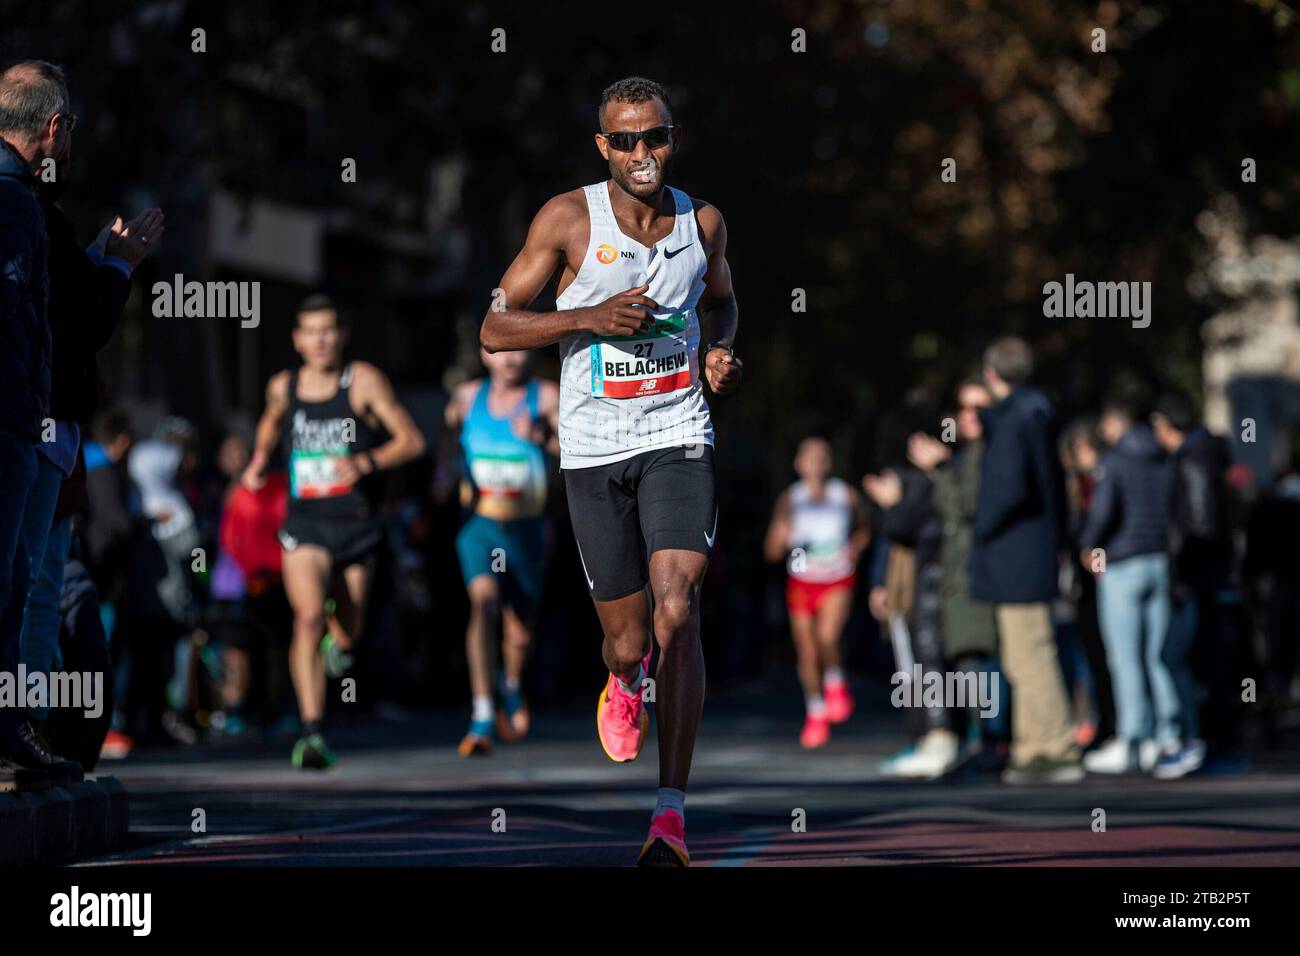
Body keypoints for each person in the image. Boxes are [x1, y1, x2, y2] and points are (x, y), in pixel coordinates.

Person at [479, 77, 742, 866]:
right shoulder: (568, 219)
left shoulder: (703, 223)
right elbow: (494, 326)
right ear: (603, 147)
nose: (641, 154)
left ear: (673, 137)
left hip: (678, 436)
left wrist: (723, 351)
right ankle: (624, 680)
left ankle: (669, 815)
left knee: (679, 610)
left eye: (653, 137)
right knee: (628, 643)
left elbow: (723, 303)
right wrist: (585, 316)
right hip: (594, 450)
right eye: (624, 140)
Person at [242, 295, 425, 769]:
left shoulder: (362, 381)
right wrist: (260, 461)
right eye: (311, 331)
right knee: (306, 616)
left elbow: (411, 440)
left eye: (329, 330)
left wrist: (366, 461)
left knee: (348, 633)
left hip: (357, 527)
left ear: (341, 335)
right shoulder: (284, 386)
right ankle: (311, 731)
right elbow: (269, 423)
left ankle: (338, 645)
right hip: (305, 525)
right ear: (297, 340)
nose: (321, 340)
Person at [0, 60, 80, 786]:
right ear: (51, 128)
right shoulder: (15, 202)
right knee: (11, 585)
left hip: (17, 427)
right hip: (8, 427)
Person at [971, 336, 1081, 784]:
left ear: (991, 373)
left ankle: (1053, 747)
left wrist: (982, 527)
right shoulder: (1036, 412)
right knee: (1026, 654)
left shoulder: (1016, 418)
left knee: (1030, 654)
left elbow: (1008, 486)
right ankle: (1034, 746)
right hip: (1030, 550)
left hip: (1017, 554)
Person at [441, 348, 558, 756]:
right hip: (479, 526)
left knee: (519, 631)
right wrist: (445, 473)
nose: (509, 360)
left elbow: (579, 448)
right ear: (484, 355)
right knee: (484, 606)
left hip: (526, 529)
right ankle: (482, 713)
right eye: (500, 351)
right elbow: (448, 441)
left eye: (519, 349)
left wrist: (542, 437)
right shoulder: (466, 397)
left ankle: (510, 684)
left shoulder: (545, 397)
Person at [908, 380, 1007, 772]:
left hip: (981, 575)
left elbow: (968, 505)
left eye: (978, 407)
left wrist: (941, 467)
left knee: (983, 659)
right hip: (963, 576)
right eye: (964, 408)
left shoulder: (989, 455)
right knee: (969, 657)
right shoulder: (969, 454)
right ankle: (984, 739)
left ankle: (994, 740)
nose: (969, 416)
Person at [1078, 398, 1174, 775]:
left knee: (1124, 657)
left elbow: (1102, 512)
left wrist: (1089, 546)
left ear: (1115, 423)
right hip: (1160, 560)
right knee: (1158, 656)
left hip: (1122, 563)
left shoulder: (1114, 461)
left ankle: (1134, 737)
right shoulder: (1163, 458)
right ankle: (1168, 735)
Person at [764, 436, 868, 749]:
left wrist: (856, 549)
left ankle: (835, 680)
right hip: (802, 580)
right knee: (807, 653)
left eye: (822, 457)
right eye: (809, 458)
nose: (816, 464)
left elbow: (864, 530)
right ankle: (815, 711)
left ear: (829, 462)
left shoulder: (845, 494)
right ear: (798, 464)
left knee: (827, 636)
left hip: (837, 577)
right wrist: (780, 537)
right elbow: (770, 551)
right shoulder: (790, 499)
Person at [1151, 390, 1233, 776]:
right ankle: (1210, 741)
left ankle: (1195, 740)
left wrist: (1186, 574)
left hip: (1196, 580)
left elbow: (1200, 524)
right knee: (1202, 659)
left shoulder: (1192, 459)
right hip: (1203, 579)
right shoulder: (1202, 455)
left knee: (1176, 655)